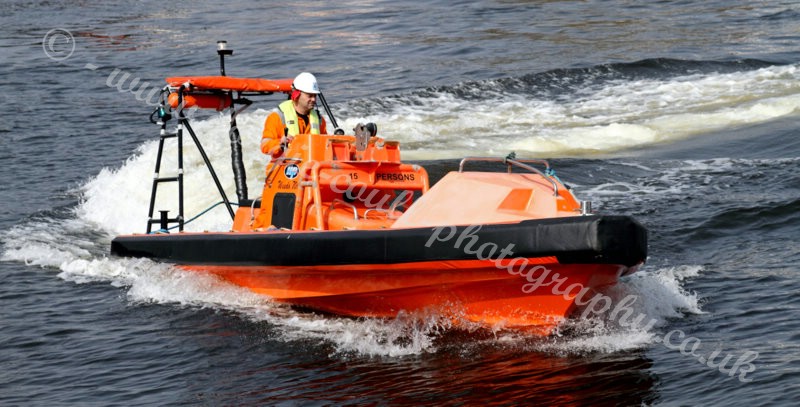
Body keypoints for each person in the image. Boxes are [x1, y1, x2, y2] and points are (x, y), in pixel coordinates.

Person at [260, 72, 327, 157]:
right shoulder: (277, 117)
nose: (313, 99)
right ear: (296, 94)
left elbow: (325, 144)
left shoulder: (319, 119)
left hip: (310, 165)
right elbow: (264, 145)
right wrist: (280, 143)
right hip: (283, 166)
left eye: (315, 96)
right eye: (309, 96)